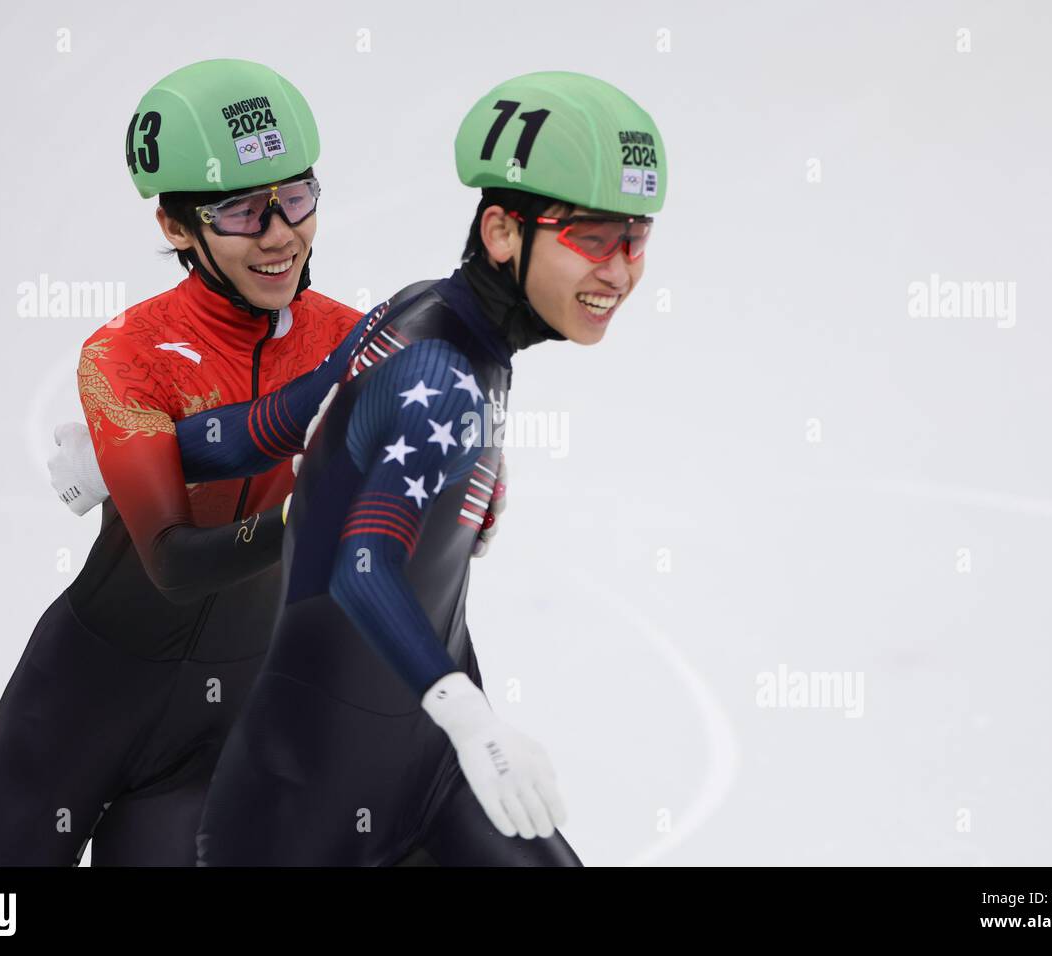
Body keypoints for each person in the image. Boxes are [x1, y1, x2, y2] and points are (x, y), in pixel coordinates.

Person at [146, 70, 665, 865]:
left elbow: (284, 419)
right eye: (591, 239)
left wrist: (149, 443)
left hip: (431, 779)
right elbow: (363, 567)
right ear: (501, 233)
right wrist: (475, 722)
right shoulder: (443, 378)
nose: (620, 271)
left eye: (636, 239)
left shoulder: (432, 315)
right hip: (302, 819)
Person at [0, 58, 369, 866]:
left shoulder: (353, 343)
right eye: (243, 210)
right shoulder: (127, 354)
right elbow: (173, 561)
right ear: (176, 227)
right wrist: (306, 504)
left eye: (297, 198)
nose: (281, 234)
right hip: (82, 700)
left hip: (219, 721)